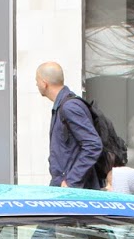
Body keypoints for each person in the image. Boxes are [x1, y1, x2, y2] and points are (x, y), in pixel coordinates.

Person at [36, 61, 101, 189]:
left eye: (37, 80)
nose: (36, 84)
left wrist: (71, 181)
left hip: (73, 190)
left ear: (44, 83)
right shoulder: (63, 105)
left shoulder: (69, 107)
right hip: (64, 186)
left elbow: (93, 144)